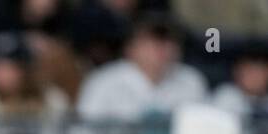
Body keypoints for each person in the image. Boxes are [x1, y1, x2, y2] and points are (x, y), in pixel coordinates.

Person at [76, 15, 207, 122]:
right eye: (153, 40)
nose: (162, 48)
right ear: (131, 48)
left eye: (168, 40)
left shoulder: (191, 80)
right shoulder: (103, 81)